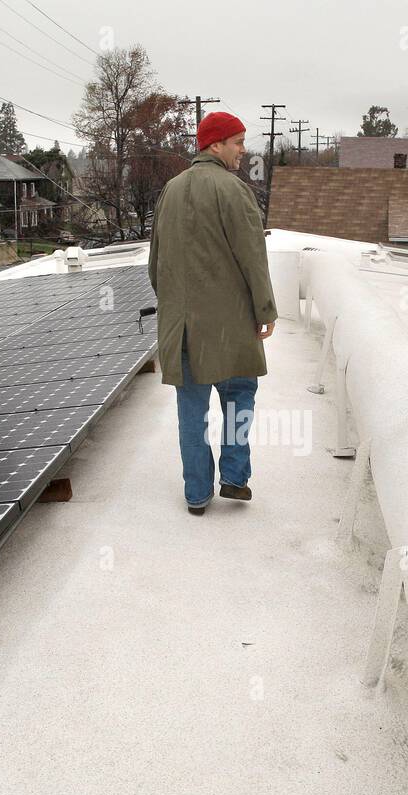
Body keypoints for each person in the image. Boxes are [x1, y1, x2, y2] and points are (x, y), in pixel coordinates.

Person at [147, 111, 278, 515]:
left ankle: (197, 494)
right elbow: (252, 257)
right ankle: (235, 478)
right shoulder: (233, 189)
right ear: (215, 145)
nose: (243, 150)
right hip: (232, 326)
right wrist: (265, 309)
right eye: (238, 142)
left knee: (192, 412)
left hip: (184, 329)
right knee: (238, 398)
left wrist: (174, 310)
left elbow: (155, 263)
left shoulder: (170, 189)